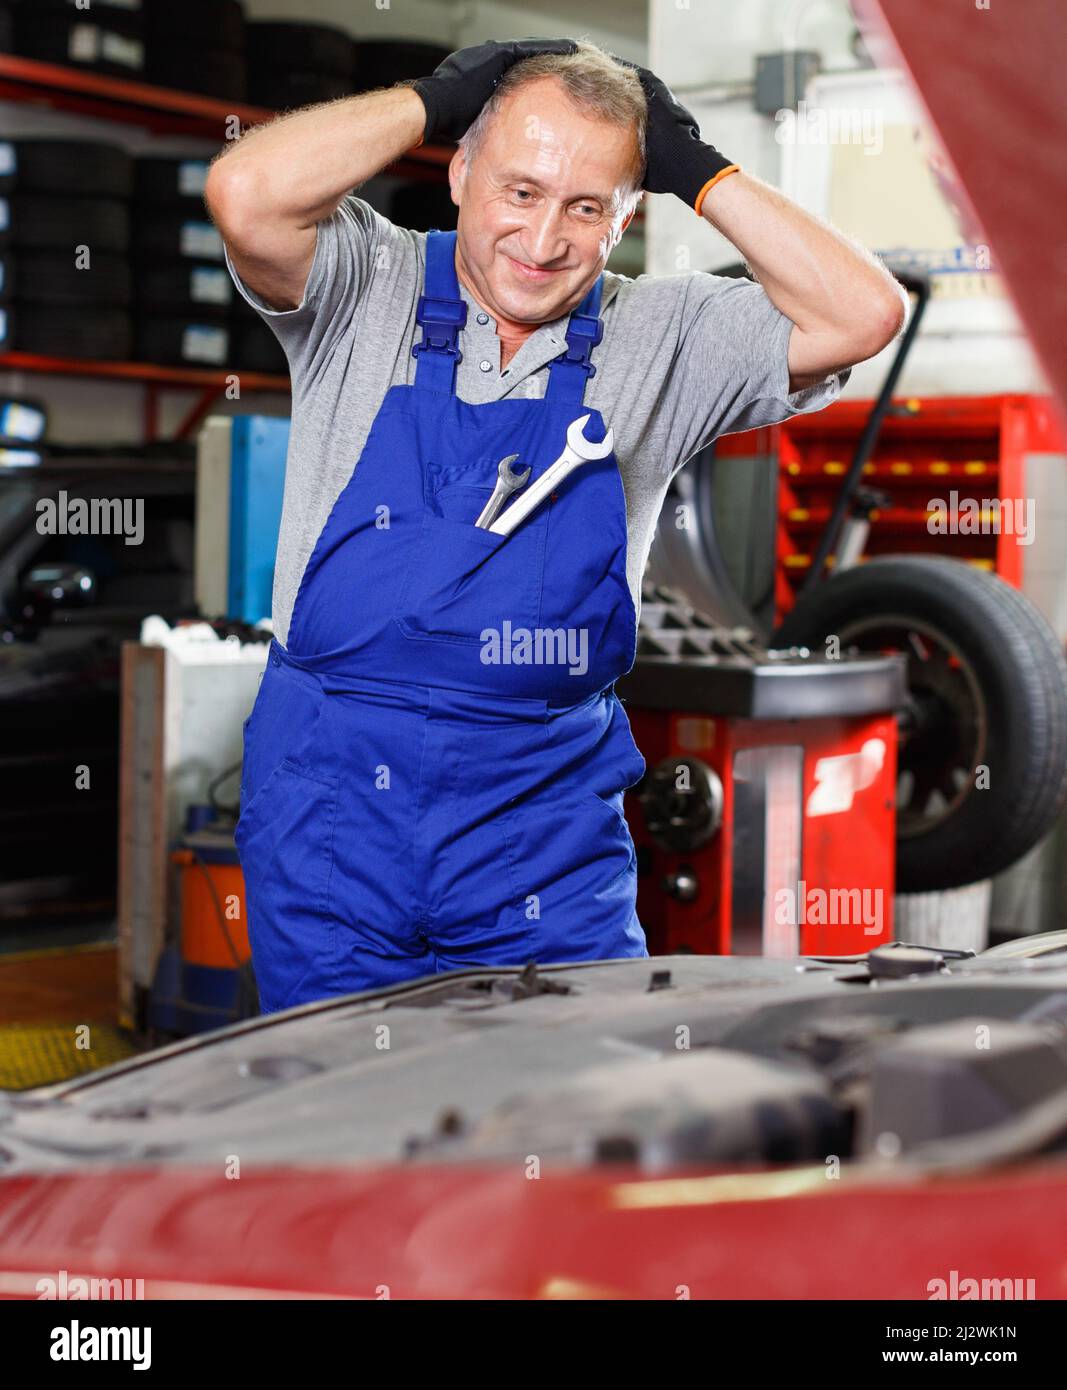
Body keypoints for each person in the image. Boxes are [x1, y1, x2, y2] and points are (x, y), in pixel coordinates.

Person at [206, 37, 906, 1013]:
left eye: (587, 207)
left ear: (631, 209)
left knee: (560, 1123)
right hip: (331, 825)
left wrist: (698, 169)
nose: (541, 242)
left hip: (533, 838)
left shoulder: (665, 336)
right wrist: (433, 98)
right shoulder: (367, 281)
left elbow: (864, 312)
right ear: (456, 171)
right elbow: (245, 191)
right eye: (520, 190)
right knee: (343, 1127)